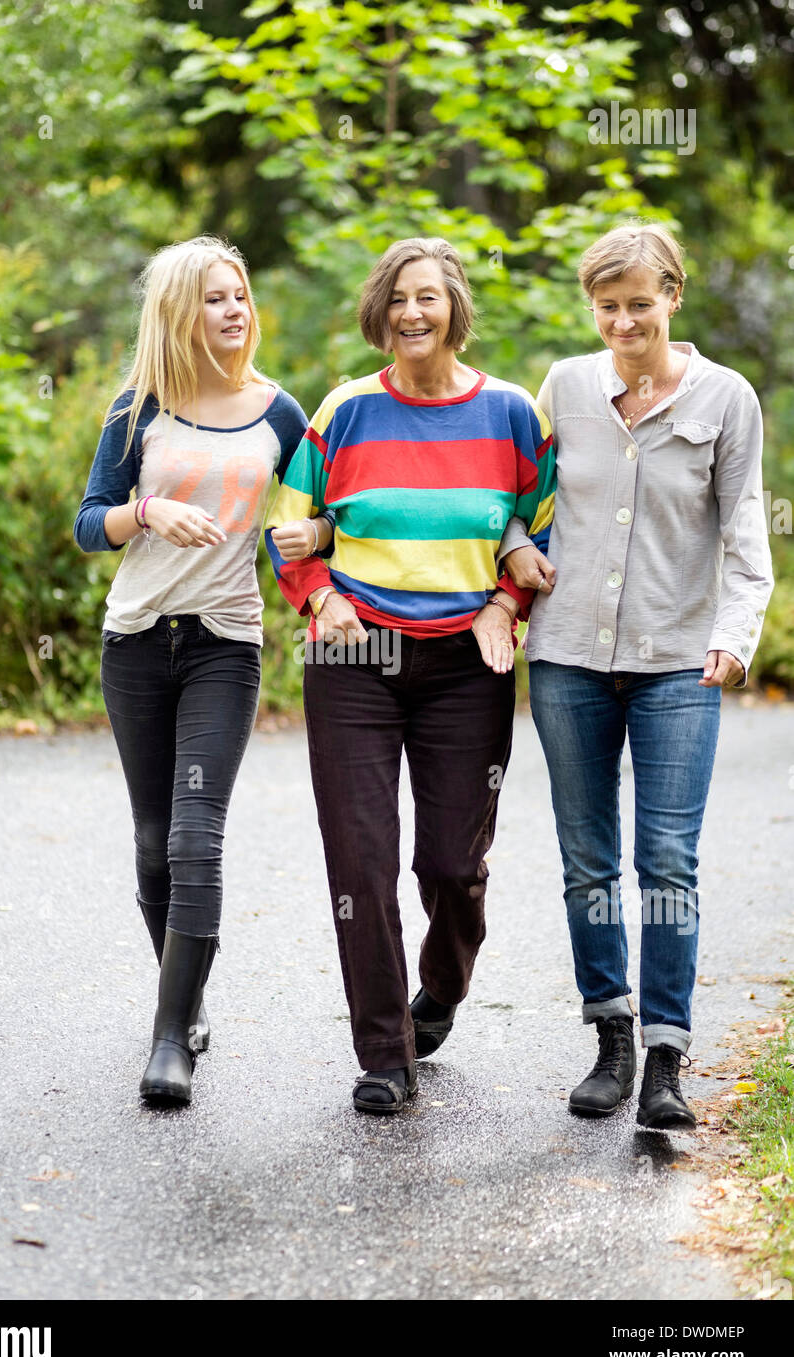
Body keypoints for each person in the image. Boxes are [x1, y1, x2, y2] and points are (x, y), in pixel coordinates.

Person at [265, 236, 555, 1115]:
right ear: (379, 312)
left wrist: (508, 601)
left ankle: (443, 987)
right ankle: (385, 1054)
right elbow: (289, 525)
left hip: (468, 660)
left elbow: (542, 532)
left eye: (427, 297)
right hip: (355, 654)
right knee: (360, 859)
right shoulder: (345, 411)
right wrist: (321, 598)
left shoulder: (511, 415)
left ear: (455, 307)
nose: (412, 313)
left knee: (452, 864)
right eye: (397, 299)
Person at [500, 223, 774, 1129]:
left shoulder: (726, 399)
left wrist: (737, 634)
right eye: (608, 307)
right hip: (569, 654)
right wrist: (514, 552)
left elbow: (743, 533)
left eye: (640, 304)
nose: (624, 321)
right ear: (593, 308)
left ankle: (665, 1054)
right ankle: (609, 1037)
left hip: (677, 662)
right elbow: (524, 503)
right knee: (587, 861)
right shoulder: (566, 388)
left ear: (672, 298)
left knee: (667, 860)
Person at [73, 235, 308, 1106]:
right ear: (180, 310)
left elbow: (311, 520)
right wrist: (147, 511)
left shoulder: (282, 413)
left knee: (194, 831)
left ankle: (170, 1039)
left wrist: (312, 560)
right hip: (136, 640)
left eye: (240, 293)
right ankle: (190, 995)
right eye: (215, 297)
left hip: (225, 642)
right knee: (148, 841)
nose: (235, 309)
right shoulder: (138, 407)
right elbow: (89, 523)